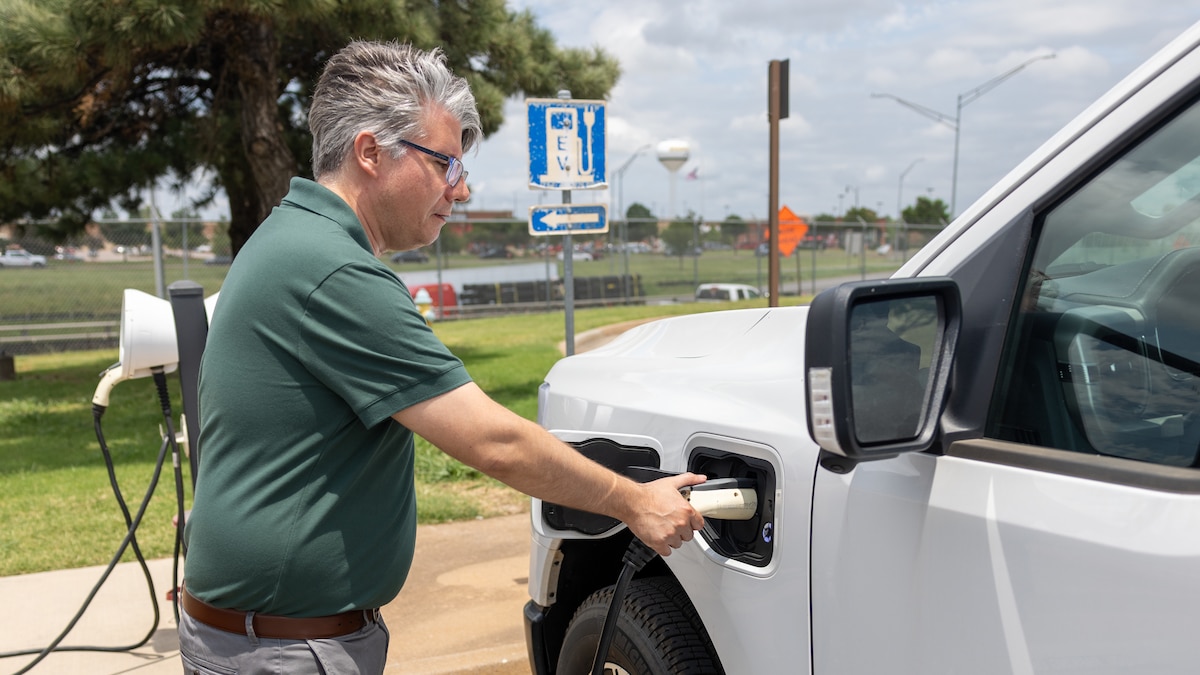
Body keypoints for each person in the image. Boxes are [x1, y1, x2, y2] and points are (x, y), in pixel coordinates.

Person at [177, 40, 705, 674]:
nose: (459, 190)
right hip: (283, 649)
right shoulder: (332, 270)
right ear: (370, 152)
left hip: (267, 636)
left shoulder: (294, 237)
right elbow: (493, 442)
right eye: (445, 164)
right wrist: (635, 501)